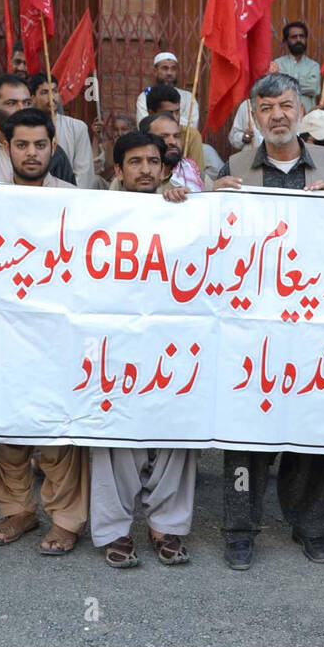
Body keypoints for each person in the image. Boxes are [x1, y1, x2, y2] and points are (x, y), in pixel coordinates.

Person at [213, 73, 324, 570]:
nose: (277, 115)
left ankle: (310, 526)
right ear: (253, 115)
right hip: (251, 323)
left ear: (302, 110)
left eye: (286, 105)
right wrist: (211, 200)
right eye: (266, 106)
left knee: (312, 427)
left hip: (316, 319)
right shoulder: (233, 168)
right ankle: (239, 529)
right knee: (244, 431)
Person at [0, 108, 90, 553]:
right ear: (7, 148)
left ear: (53, 148)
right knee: (5, 423)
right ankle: (16, 510)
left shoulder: (77, 200)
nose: (31, 153)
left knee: (58, 429)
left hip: (57, 333)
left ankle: (66, 519)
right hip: (2, 330)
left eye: (40, 145)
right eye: (21, 145)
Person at [90, 131, 194, 568]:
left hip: (173, 343)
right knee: (115, 433)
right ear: (118, 170)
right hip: (116, 344)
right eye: (135, 162)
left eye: (153, 161)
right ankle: (114, 530)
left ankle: (166, 527)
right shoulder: (95, 211)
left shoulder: (184, 210)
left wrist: (199, 205)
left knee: (176, 430)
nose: (146, 170)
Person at [0, 73, 75, 185]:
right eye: (11, 103)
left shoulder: (55, 155)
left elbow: (65, 201)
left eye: (26, 103)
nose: (21, 110)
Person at [26, 72, 97, 189]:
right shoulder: (25, 129)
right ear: (32, 98)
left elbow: (84, 173)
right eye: (44, 92)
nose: (51, 97)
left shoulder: (77, 128)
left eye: (54, 91)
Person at [140, 83, 207, 172]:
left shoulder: (190, 136)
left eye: (177, 112)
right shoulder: (143, 136)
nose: (175, 118)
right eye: (168, 113)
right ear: (151, 113)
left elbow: (198, 175)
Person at [142, 109, 207, 191]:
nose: (173, 142)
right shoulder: (131, 175)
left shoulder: (192, 171)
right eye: (164, 136)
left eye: (176, 136)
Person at [134, 52, 200, 127]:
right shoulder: (145, 97)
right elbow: (144, 125)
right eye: (165, 68)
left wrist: (160, 119)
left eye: (173, 69)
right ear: (155, 71)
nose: (169, 73)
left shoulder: (188, 97)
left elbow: (192, 126)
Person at [273, 20, 321, 110]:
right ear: (286, 41)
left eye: (302, 36)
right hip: (283, 114)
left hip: (307, 117)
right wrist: (304, 83)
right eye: (294, 37)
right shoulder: (277, 64)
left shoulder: (314, 66)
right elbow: (277, 89)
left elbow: (313, 88)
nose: (298, 39)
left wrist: (287, 83)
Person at [90, 111, 133, 183]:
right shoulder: (106, 146)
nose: (120, 133)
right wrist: (96, 137)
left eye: (124, 129)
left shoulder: (137, 147)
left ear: (131, 130)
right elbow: (94, 169)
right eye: (116, 130)